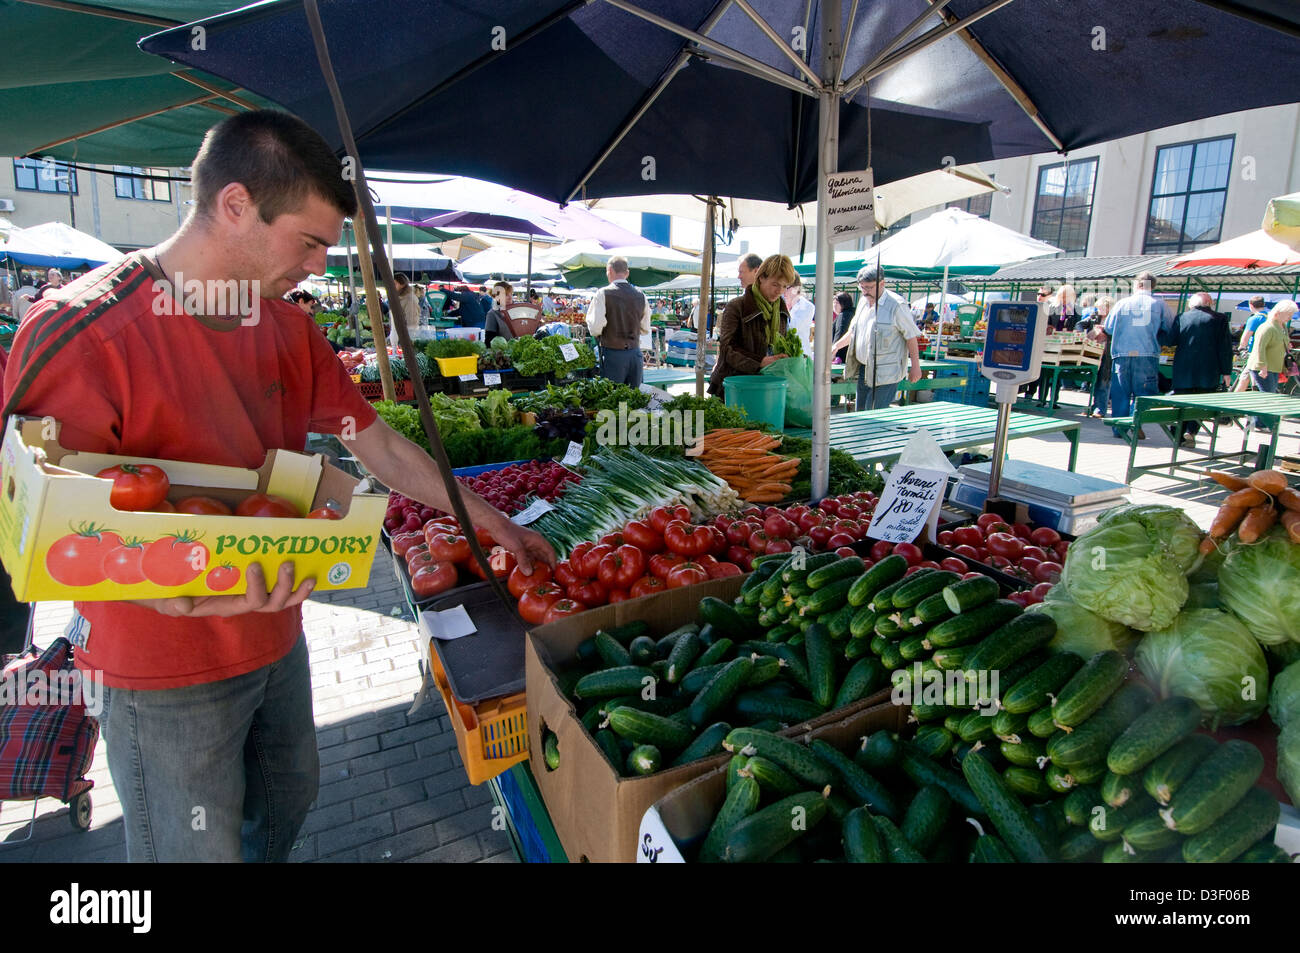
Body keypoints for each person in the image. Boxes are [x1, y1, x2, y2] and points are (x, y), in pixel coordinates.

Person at [0, 109, 555, 863]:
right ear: (234, 206)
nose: (322, 265)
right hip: (162, 672)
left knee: (288, 802)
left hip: (276, 633)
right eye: (310, 241)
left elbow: (379, 444)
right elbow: (43, 520)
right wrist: (165, 587)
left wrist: (495, 521)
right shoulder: (81, 328)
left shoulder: (290, 331)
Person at [831, 264, 922, 410]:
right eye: (862, 287)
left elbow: (911, 336)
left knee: (873, 414)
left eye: (869, 287)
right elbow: (853, 331)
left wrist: (915, 367)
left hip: (887, 372)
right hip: (864, 369)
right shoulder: (862, 302)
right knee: (860, 412)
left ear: (882, 283)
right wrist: (835, 347)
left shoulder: (897, 305)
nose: (865, 292)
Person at [708, 254, 795, 398]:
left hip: (767, 388)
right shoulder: (737, 306)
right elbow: (727, 348)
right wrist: (759, 361)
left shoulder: (781, 310)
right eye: (775, 284)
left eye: (784, 286)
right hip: (734, 387)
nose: (779, 291)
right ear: (761, 277)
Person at [1105, 271, 1171, 439]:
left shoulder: (1122, 303)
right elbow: (1169, 329)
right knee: (1144, 394)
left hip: (1121, 353)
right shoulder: (1160, 305)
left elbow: (1109, 328)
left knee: (1121, 393)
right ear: (1153, 286)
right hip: (1147, 354)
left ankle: (1119, 429)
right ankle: (1136, 423)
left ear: (1137, 285)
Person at [1166, 292, 1234, 444]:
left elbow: (1170, 340)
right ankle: (1191, 431)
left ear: (1192, 303)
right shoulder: (1220, 319)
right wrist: (1226, 371)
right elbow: (1225, 347)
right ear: (1209, 303)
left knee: (1181, 401)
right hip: (1209, 370)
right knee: (1201, 402)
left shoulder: (1182, 317)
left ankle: (1177, 434)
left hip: (1183, 369)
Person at [586, 256, 651, 386]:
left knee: (614, 400)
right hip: (635, 354)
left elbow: (595, 328)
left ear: (609, 270)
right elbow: (645, 328)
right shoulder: (641, 295)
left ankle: (621, 408)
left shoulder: (602, 294)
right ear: (627, 273)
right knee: (633, 399)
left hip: (613, 355)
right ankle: (625, 408)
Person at [1246, 300, 1298, 427]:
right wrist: (1263, 367)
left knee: (1269, 395)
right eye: (1289, 314)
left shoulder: (1282, 326)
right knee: (1268, 396)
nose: (1291, 317)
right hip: (1264, 367)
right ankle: (1262, 423)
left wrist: (1287, 345)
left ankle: (1258, 422)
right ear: (1279, 313)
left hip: (1274, 367)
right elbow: (1260, 348)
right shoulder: (1267, 327)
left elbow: (1281, 341)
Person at [1079, 295, 1113, 418]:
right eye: (1098, 308)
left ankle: (1100, 409)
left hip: (1107, 355)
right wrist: (1083, 332)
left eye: (1102, 308)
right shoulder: (1094, 317)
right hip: (1093, 353)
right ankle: (1091, 407)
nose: (1099, 310)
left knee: (1103, 383)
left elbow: (1117, 334)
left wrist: (1106, 332)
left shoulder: (1113, 319)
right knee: (1093, 381)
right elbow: (1080, 324)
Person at [1234, 295, 1271, 392]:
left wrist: (1241, 348)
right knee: (1250, 377)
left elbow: (1245, 338)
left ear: (1250, 305)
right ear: (1263, 304)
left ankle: (1233, 400)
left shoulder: (1255, 318)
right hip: (1268, 352)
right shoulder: (1269, 317)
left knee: (1244, 378)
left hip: (1255, 353)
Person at [783, 276, 814, 355]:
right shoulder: (780, 304)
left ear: (796, 288)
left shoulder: (807, 307)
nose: (783, 291)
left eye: (786, 287)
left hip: (801, 355)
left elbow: (792, 328)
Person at [388, 271, 420, 346]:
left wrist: (406, 341)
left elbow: (411, 322)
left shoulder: (409, 299)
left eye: (395, 284)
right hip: (398, 336)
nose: (392, 286)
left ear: (402, 284)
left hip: (405, 339)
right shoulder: (398, 298)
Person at [484, 280, 517, 345]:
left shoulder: (517, 311)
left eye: (511, 294)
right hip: (503, 353)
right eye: (506, 295)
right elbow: (489, 340)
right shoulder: (492, 314)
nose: (510, 297)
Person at [831, 291, 855, 365]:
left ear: (844, 303)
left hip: (841, 358)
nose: (834, 305)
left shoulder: (843, 316)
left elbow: (839, 334)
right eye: (833, 302)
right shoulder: (853, 313)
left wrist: (833, 354)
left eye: (836, 303)